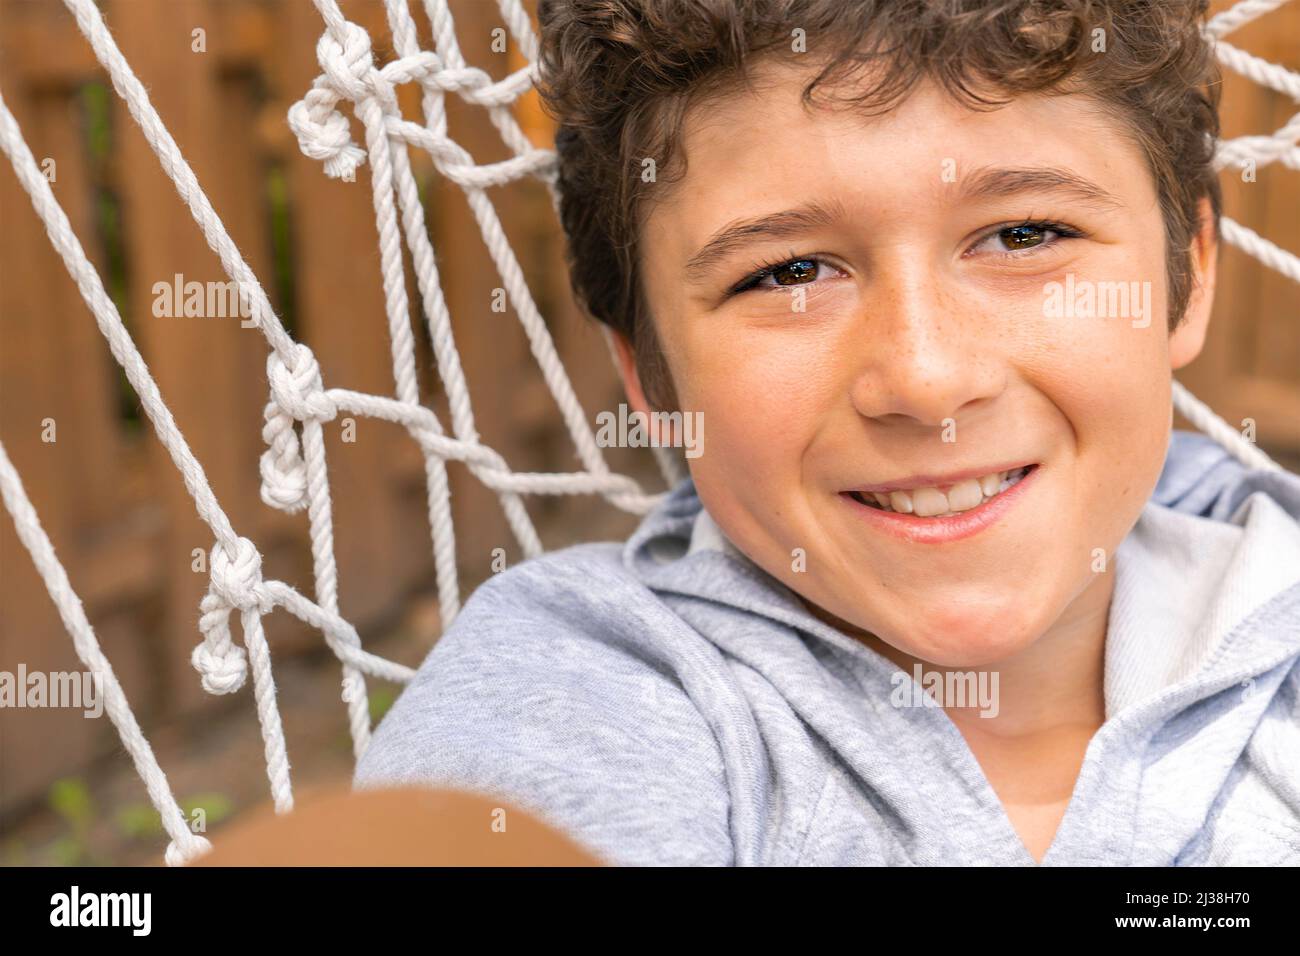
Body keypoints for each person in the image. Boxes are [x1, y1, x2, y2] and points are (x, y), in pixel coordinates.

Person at [355, 0, 1300, 865]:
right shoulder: (578, 695)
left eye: (1022, 235)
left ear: (1190, 272)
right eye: (788, 272)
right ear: (648, 374)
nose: (928, 380)